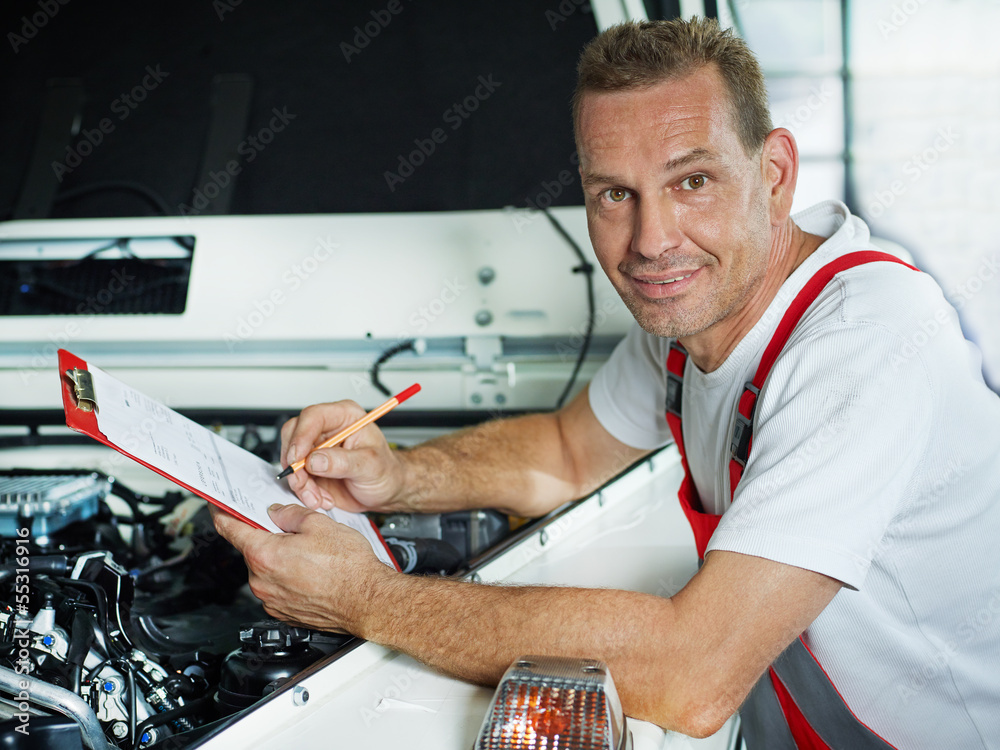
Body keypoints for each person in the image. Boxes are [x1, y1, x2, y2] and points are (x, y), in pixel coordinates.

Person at [213, 17, 1000, 748]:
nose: (652, 241)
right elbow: (565, 452)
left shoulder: (867, 334)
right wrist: (397, 478)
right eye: (614, 194)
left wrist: (366, 599)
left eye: (693, 182)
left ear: (776, 174)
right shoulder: (696, 318)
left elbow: (695, 675)